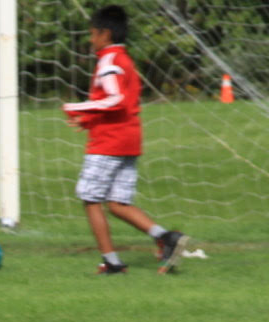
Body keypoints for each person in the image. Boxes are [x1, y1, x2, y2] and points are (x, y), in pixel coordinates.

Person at [62, 4, 188, 275]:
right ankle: (166, 238)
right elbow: (119, 102)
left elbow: (115, 98)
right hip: (129, 139)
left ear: (104, 34)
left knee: (90, 198)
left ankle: (111, 262)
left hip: (108, 143)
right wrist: (87, 119)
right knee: (117, 203)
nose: (91, 39)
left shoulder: (108, 60)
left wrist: (78, 108)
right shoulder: (125, 60)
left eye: (93, 34)